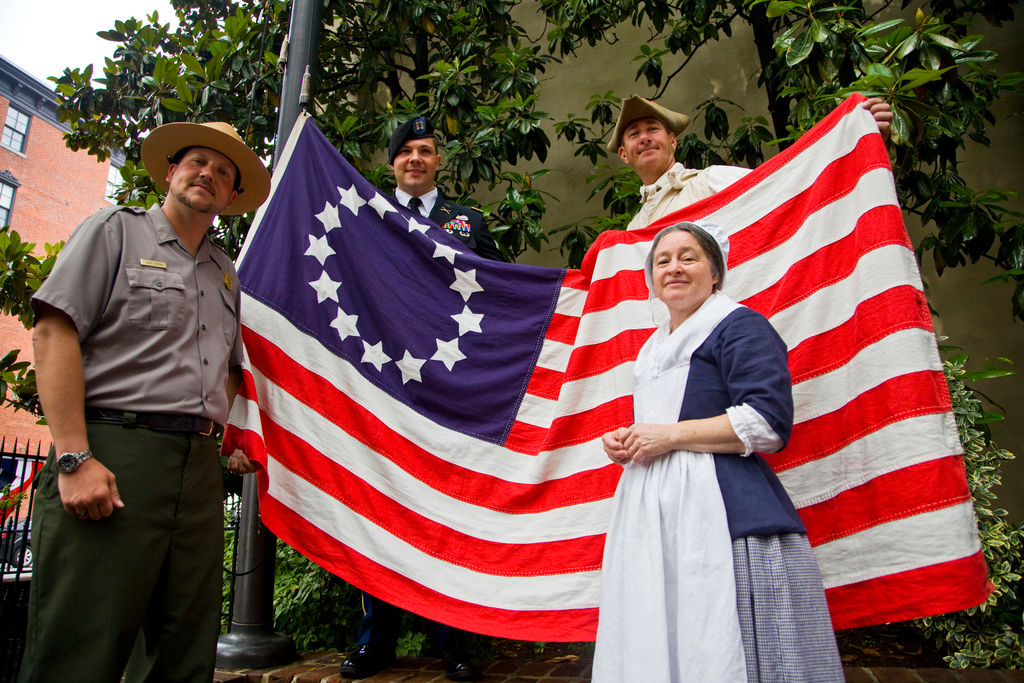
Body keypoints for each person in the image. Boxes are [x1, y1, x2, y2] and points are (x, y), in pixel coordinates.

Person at [19, 121, 270, 683]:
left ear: (230, 198)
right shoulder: (115, 230)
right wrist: (74, 457)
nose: (209, 173)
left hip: (198, 473)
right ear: (169, 172)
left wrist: (222, 436)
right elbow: (54, 333)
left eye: (225, 172)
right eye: (197, 161)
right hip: (117, 453)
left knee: (183, 650)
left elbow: (228, 369)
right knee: (82, 647)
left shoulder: (225, 273)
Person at [594, 221, 844, 682]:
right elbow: (665, 425)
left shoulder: (739, 325)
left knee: (725, 638)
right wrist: (628, 441)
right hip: (653, 515)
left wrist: (668, 436)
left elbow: (768, 422)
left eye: (688, 257)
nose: (674, 268)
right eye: (662, 260)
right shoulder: (651, 350)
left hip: (722, 512)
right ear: (651, 279)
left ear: (716, 274)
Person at [338, 115, 503, 682]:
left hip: (447, 387)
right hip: (381, 383)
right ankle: (374, 641)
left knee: (446, 513)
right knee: (381, 511)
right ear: (392, 165)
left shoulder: (469, 222)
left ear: (439, 162)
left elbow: (501, 292)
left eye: (425, 150)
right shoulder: (364, 217)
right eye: (405, 151)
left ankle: (453, 643)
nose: (415, 159)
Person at [609, 94, 894, 231]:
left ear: (673, 140)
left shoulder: (713, 180)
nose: (644, 138)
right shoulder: (632, 230)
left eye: (653, 129)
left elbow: (793, 188)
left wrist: (856, 142)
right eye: (634, 134)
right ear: (624, 154)